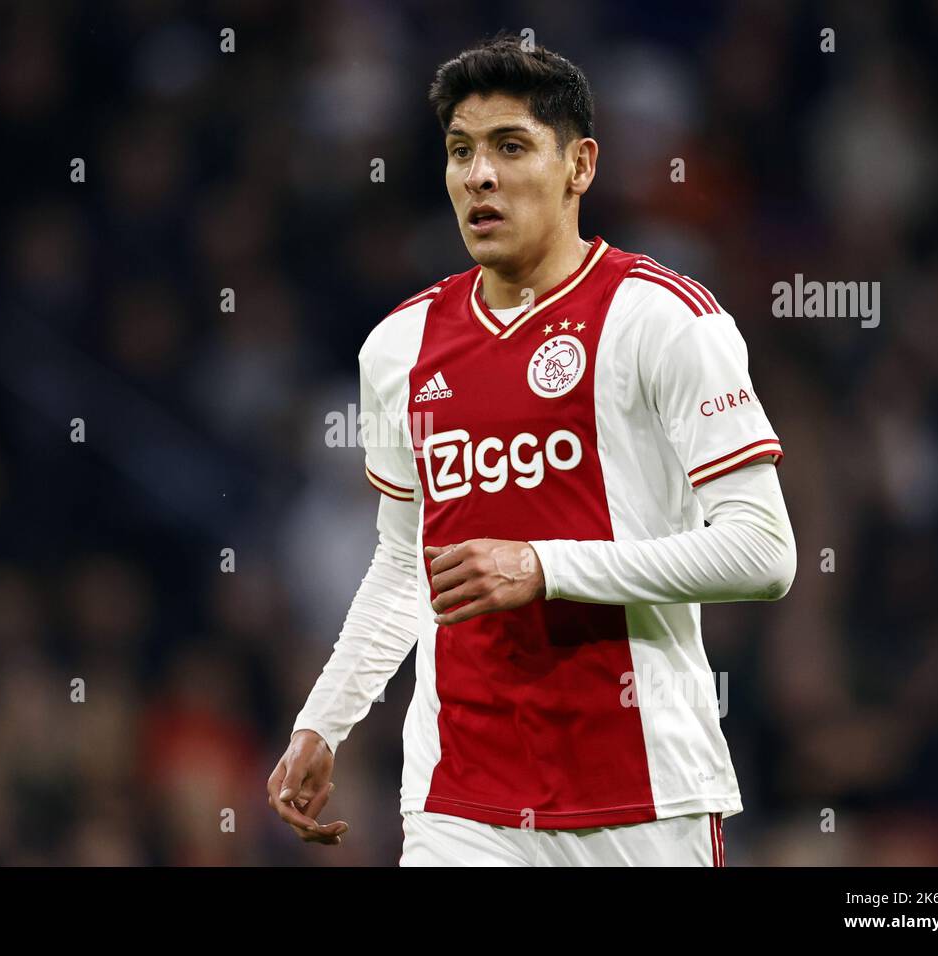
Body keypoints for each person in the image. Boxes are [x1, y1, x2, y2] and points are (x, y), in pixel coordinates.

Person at [268, 33, 796, 866]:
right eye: (460, 152)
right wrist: (325, 719)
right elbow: (406, 564)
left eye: (511, 147)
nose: (480, 175)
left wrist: (545, 567)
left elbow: (764, 554)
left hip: (644, 795)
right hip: (460, 804)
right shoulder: (399, 348)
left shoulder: (663, 318)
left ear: (580, 165)